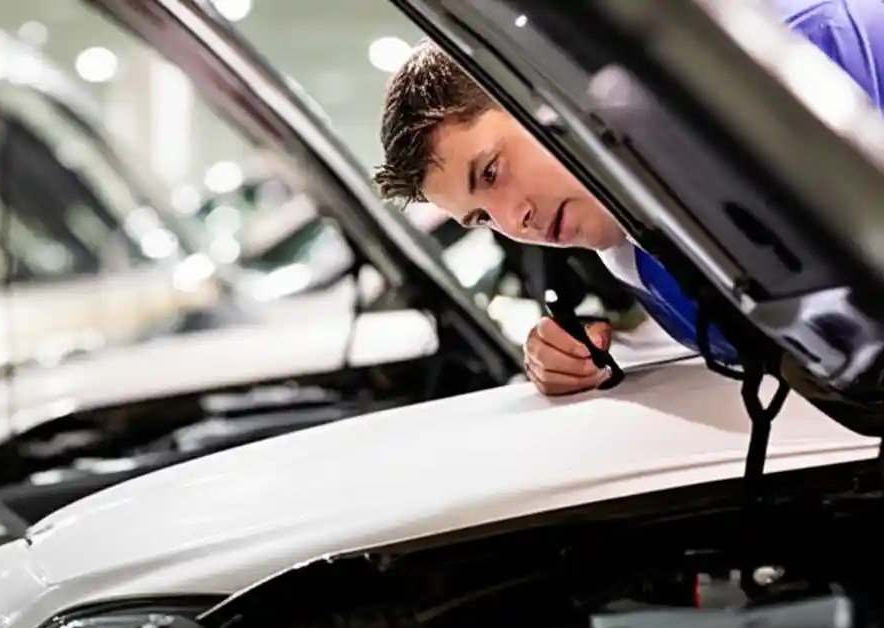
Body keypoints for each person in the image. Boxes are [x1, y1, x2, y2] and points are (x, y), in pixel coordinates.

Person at [375, 0, 884, 396]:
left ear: (544, 92)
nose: (515, 218)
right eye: (481, 217)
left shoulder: (817, 56)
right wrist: (578, 356)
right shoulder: (636, 251)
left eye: (491, 170)